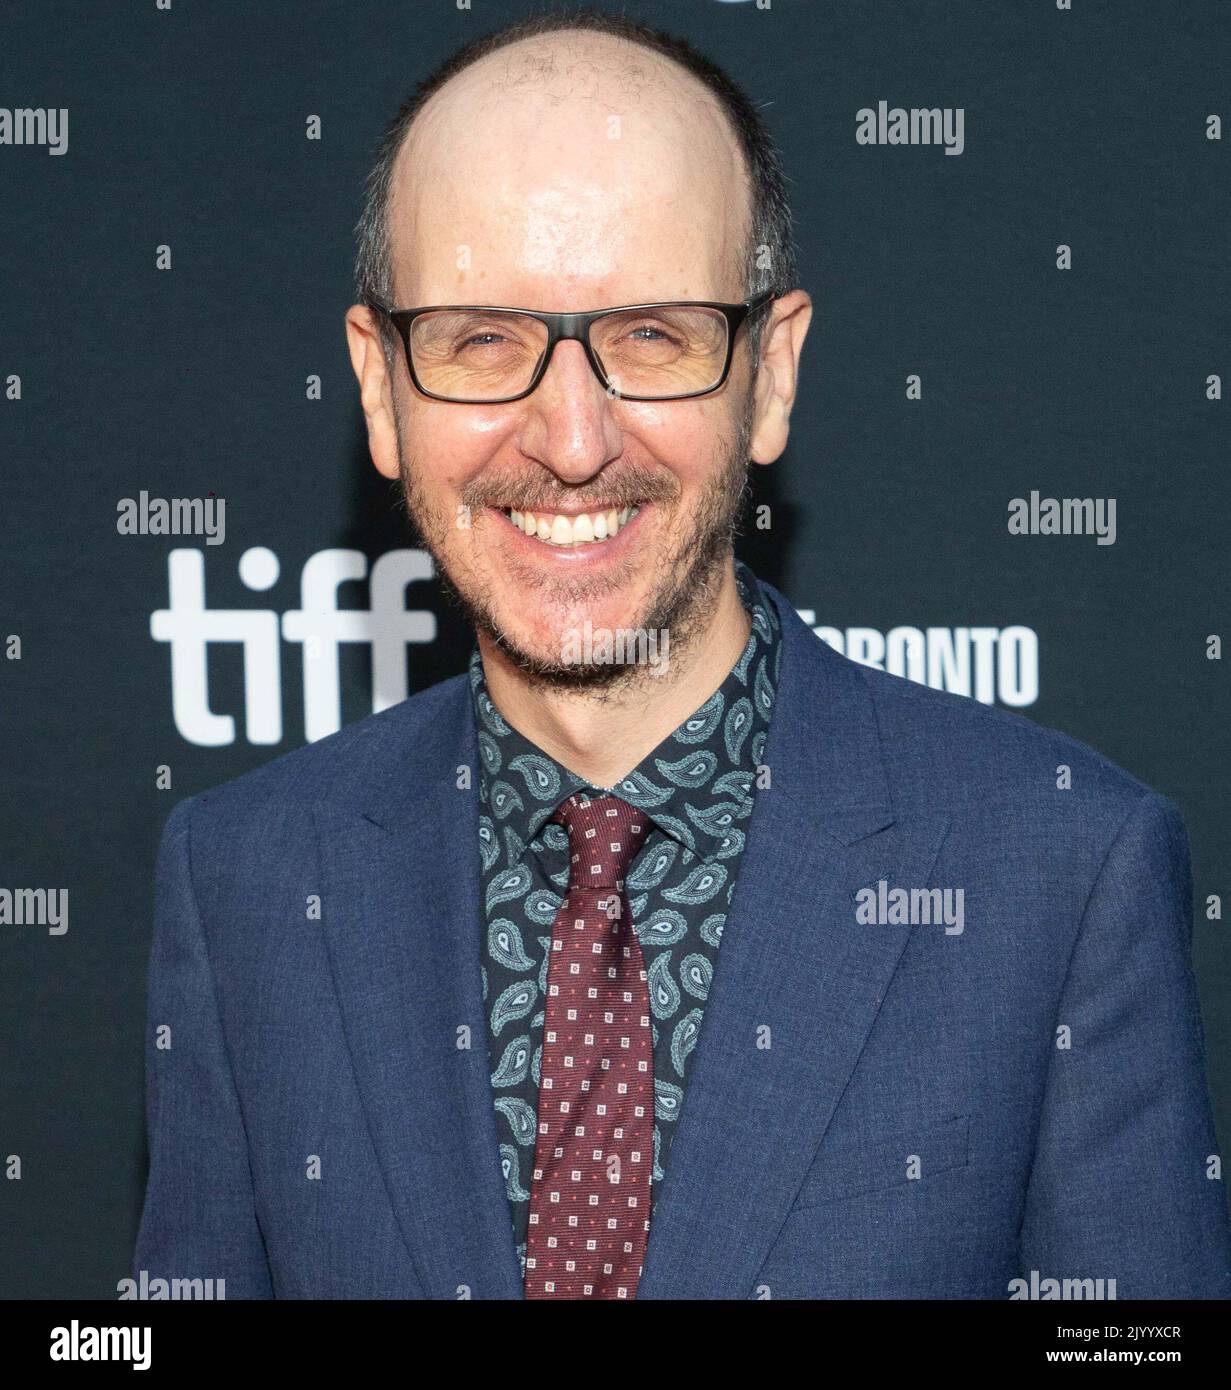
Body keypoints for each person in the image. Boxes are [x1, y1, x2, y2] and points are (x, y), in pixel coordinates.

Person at [134, 8, 1230, 1299]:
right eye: (482, 340)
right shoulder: (247, 879)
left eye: (652, 335)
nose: (572, 436)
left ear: (770, 373)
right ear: (378, 386)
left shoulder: (1062, 870)